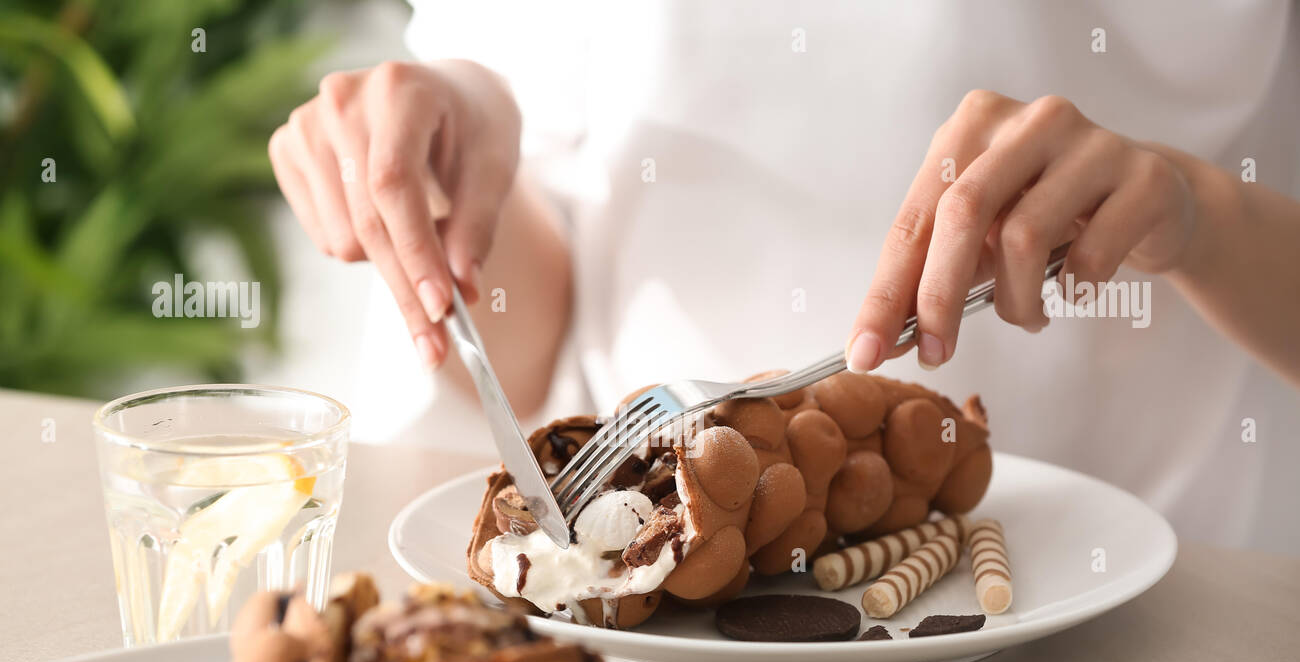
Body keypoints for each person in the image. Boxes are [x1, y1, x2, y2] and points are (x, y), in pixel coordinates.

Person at [268, 0, 1300, 552]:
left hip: (1165, 621)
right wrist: (450, 188)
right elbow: (532, 338)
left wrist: (1198, 214)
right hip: (676, 650)